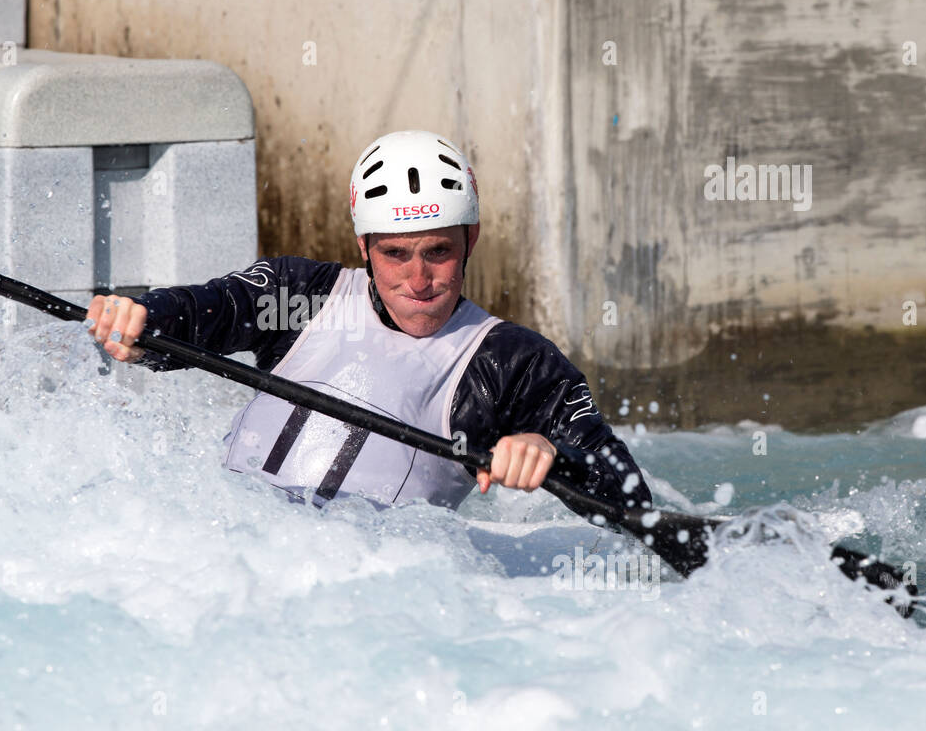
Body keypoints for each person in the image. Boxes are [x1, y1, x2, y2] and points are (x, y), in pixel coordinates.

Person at [87, 130, 651, 515]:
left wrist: (551, 453)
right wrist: (144, 320)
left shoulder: (513, 364)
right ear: (363, 245)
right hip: (232, 549)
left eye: (438, 252)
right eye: (395, 255)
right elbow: (211, 309)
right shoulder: (300, 295)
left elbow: (629, 498)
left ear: (470, 240)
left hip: (372, 594)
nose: (419, 279)